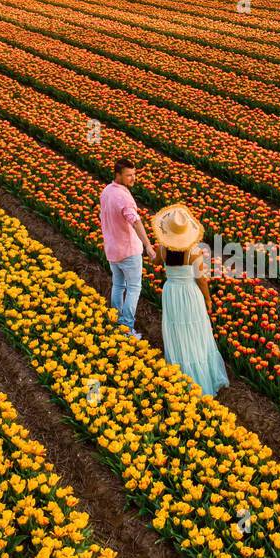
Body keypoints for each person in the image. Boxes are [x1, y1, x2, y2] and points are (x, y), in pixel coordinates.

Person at [152, 204, 229, 398]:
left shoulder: (162, 249)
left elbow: (154, 262)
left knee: (177, 330)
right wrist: (208, 300)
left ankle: (182, 374)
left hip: (172, 292)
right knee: (195, 331)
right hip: (189, 293)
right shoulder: (194, 252)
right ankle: (201, 376)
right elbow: (201, 280)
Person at [99, 158, 156, 338]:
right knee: (133, 288)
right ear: (118, 175)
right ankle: (126, 328)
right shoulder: (123, 197)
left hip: (112, 250)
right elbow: (136, 222)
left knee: (118, 284)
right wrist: (147, 245)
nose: (133, 179)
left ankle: (115, 320)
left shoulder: (106, 191)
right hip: (128, 251)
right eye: (129, 175)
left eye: (134, 174)